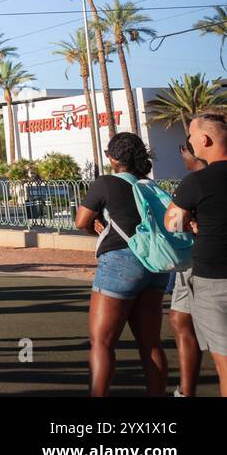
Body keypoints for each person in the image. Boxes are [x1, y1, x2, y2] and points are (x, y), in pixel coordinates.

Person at [75, 131, 170, 396]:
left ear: (113, 157)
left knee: (102, 343)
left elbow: (81, 221)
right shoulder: (152, 186)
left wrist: (96, 228)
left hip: (121, 263)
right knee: (151, 344)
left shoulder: (106, 183)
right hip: (154, 266)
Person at [166, 112, 227, 398]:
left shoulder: (197, 182)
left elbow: (172, 222)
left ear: (204, 139)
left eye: (190, 135)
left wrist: (191, 221)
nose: (188, 141)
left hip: (214, 281)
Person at [168, 137, 207, 396]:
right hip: (201, 260)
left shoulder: (194, 181)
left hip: (200, 260)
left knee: (184, 322)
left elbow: (172, 222)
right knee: (180, 318)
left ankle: (186, 390)